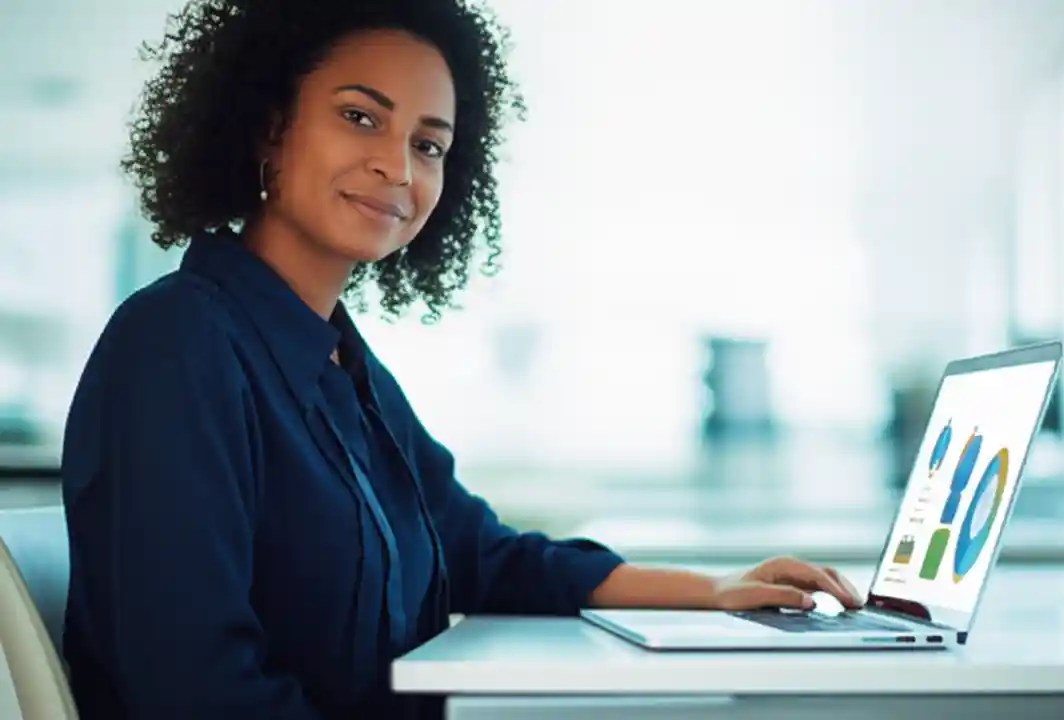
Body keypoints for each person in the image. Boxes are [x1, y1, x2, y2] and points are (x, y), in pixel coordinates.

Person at [59, 1, 863, 717]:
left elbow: (483, 555)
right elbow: (198, 692)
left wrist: (716, 590)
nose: (399, 169)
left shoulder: (341, 362)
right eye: (360, 117)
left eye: (429, 144)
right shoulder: (177, 344)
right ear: (271, 126)